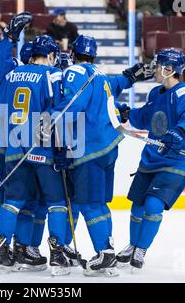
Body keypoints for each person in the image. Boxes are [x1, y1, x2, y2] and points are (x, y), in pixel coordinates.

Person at [50, 35, 152, 276]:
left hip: (89, 148)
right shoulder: (100, 74)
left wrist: (51, 124)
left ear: (73, 53)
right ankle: (106, 250)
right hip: (109, 146)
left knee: (87, 203)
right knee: (98, 203)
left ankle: (104, 254)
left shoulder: (74, 71)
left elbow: (72, 107)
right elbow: (117, 83)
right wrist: (129, 76)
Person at [0, 35, 71, 276]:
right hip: (42, 148)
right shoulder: (52, 74)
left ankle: (0, 250)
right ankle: (58, 254)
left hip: (14, 146)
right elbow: (60, 110)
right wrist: (64, 147)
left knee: (13, 201)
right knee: (56, 202)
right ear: (50, 55)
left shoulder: (13, 74)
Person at [116, 48, 185, 270]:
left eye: (158, 65)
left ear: (170, 69)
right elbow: (146, 118)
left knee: (153, 205)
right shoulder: (155, 93)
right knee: (137, 205)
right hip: (153, 158)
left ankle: (141, 249)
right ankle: (132, 244)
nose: (154, 69)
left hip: (176, 160)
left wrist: (179, 133)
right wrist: (127, 114)